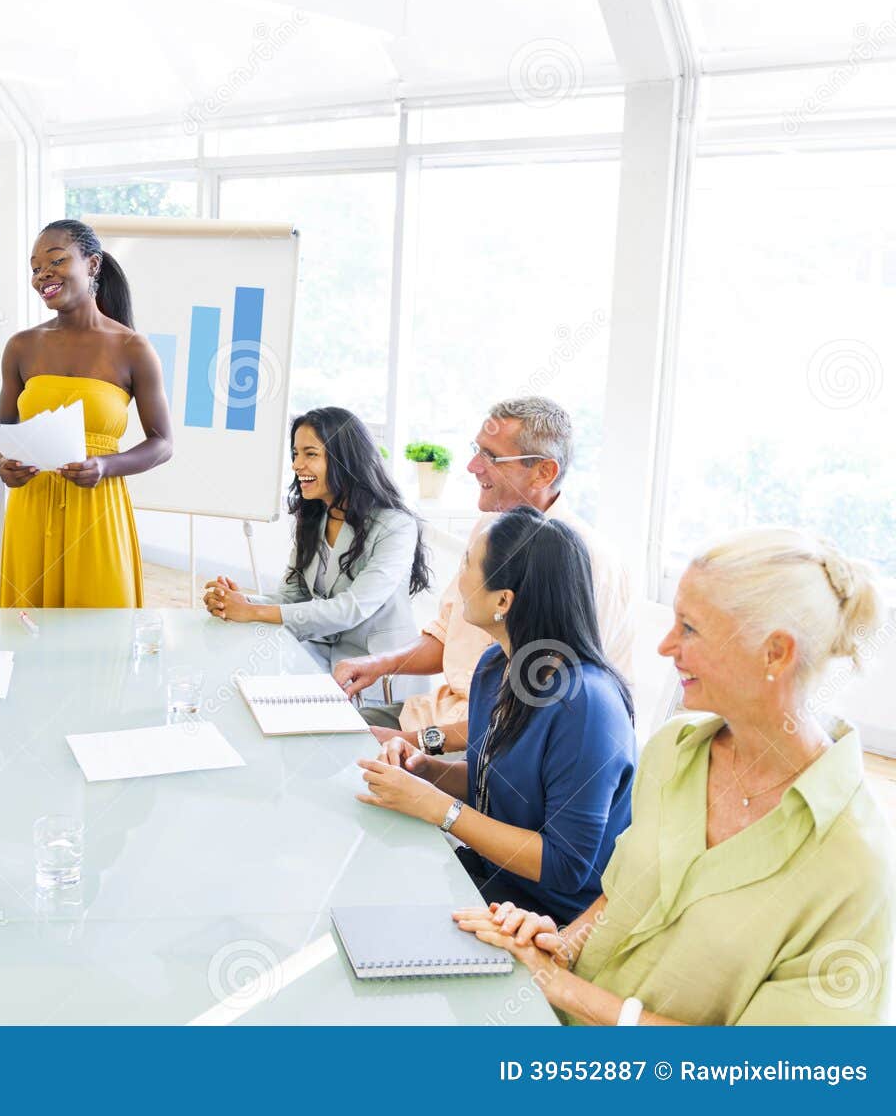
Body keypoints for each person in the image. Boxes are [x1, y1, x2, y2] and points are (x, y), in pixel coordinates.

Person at [456, 529, 893, 1025]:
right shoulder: (673, 750)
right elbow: (616, 901)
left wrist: (565, 988)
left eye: (689, 628)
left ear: (776, 653)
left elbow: (779, 1072)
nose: (666, 646)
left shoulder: (856, 864)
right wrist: (556, 944)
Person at [358, 508, 635, 923]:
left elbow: (566, 866)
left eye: (468, 562)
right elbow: (492, 786)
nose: (460, 575)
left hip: (546, 919)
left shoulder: (587, 707)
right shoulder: (495, 667)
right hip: (488, 881)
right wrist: (423, 769)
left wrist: (439, 809)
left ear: (504, 600)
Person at [335, 396, 633, 754]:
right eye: (478, 449)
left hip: (497, 750)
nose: (473, 465)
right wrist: (377, 665)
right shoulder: (489, 529)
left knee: (342, 764)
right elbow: (448, 634)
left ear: (544, 472)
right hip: (435, 716)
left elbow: (536, 718)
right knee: (320, 737)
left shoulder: (586, 562)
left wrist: (414, 743)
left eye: (492, 456)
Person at [0, 219, 173, 608]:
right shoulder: (21, 347)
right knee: (30, 631)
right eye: (35, 268)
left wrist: (106, 466)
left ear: (92, 265)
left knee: (100, 630)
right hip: (32, 503)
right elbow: (5, 428)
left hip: (96, 504)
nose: (43, 275)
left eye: (56, 261)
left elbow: (163, 443)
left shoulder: (132, 348)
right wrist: (5, 465)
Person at [202, 408, 431, 702]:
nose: (297, 465)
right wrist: (237, 602)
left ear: (345, 459)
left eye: (310, 454)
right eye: (295, 453)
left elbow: (351, 608)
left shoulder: (396, 526)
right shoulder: (315, 518)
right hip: (321, 662)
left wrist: (252, 611)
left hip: (378, 681)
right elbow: (290, 596)